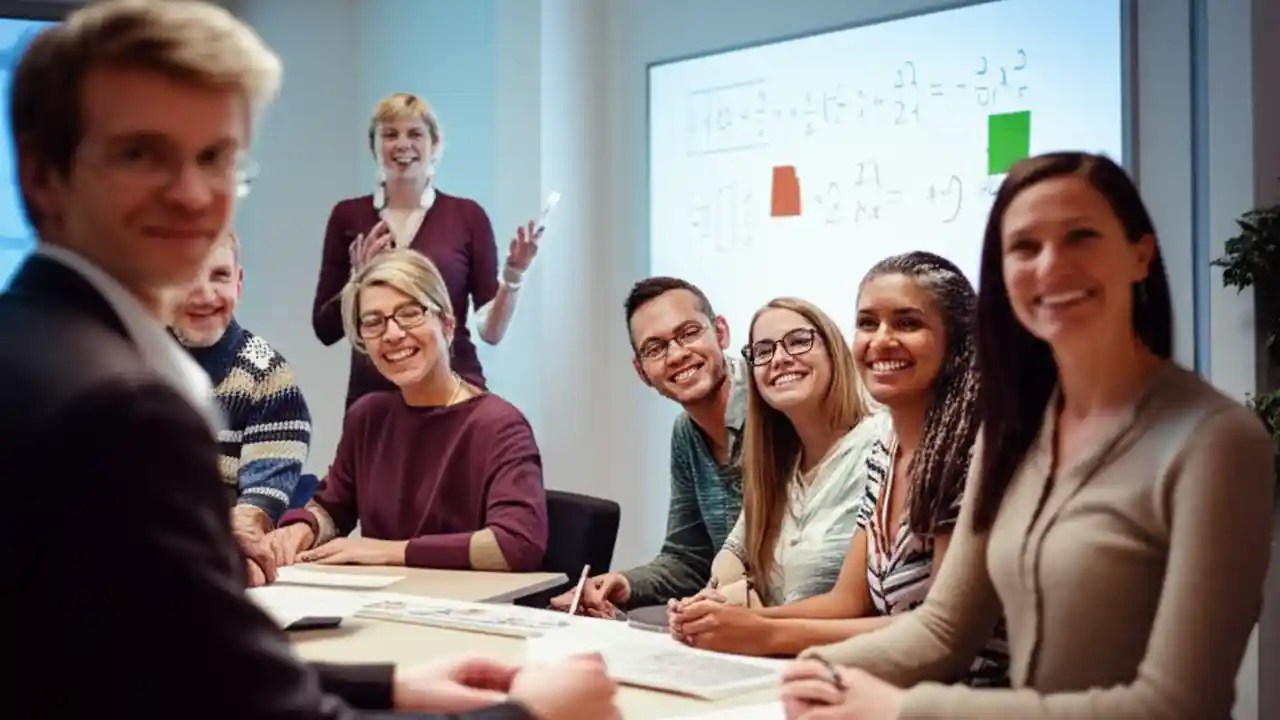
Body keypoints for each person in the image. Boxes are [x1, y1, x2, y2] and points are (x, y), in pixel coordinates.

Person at [0, 2, 617, 718]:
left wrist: (386, 685)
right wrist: (533, 714)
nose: (196, 195)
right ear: (44, 175)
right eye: (142, 154)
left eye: (218, 158)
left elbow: (174, 656)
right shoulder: (118, 405)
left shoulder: (39, 346)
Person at [780, 152, 1275, 719]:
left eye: (1080, 237)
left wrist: (904, 709)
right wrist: (820, 669)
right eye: (1024, 247)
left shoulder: (1216, 441)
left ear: (1140, 255)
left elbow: (1175, 703)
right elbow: (943, 631)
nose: (1049, 266)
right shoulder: (1010, 433)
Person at [669, 254, 1007, 686]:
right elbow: (847, 602)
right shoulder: (887, 453)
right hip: (889, 685)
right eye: (868, 323)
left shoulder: (968, 450)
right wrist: (725, 622)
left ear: (955, 338)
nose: (882, 340)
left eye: (907, 323)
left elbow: (942, 631)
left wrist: (766, 632)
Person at [268, 249, 548, 572]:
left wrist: (390, 552)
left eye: (411, 313)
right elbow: (333, 507)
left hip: (465, 613)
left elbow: (517, 543)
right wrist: (301, 530)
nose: (393, 334)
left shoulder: (499, 425)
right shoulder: (368, 417)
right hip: (379, 607)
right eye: (373, 322)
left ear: (447, 322)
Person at [313, 92, 538, 409]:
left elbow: (491, 332)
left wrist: (513, 277)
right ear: (374, 147)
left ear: (436, 145)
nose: (402, 144)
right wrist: (358, 282)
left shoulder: (467, 216)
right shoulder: (348, 217)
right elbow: (325, 329)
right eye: (390, 134)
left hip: (453, 393)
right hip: (375, 398)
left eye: (415, 133)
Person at [667, 298, 877, 632]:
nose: (779, 358)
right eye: (763, 351)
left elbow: (856, 606)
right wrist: (707, 601)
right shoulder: (780, 462)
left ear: (834, 350)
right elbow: (735, 552)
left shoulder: (881, 442)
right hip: (780, 664)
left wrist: (748, 622)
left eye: (798, 342)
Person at [550, 277, 747, 616]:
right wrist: (621, 584)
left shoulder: (777, 405)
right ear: (641, 372)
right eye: (655, 349)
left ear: (721, 332)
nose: (677, 355)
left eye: (689, 333)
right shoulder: (686, 433)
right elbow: (688, 559)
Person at [172, 229, 312, 538]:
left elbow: (256, 510)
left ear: (239, 282)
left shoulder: (269, 374)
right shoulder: (129, 358)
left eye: (219, 276)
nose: (205, 294)